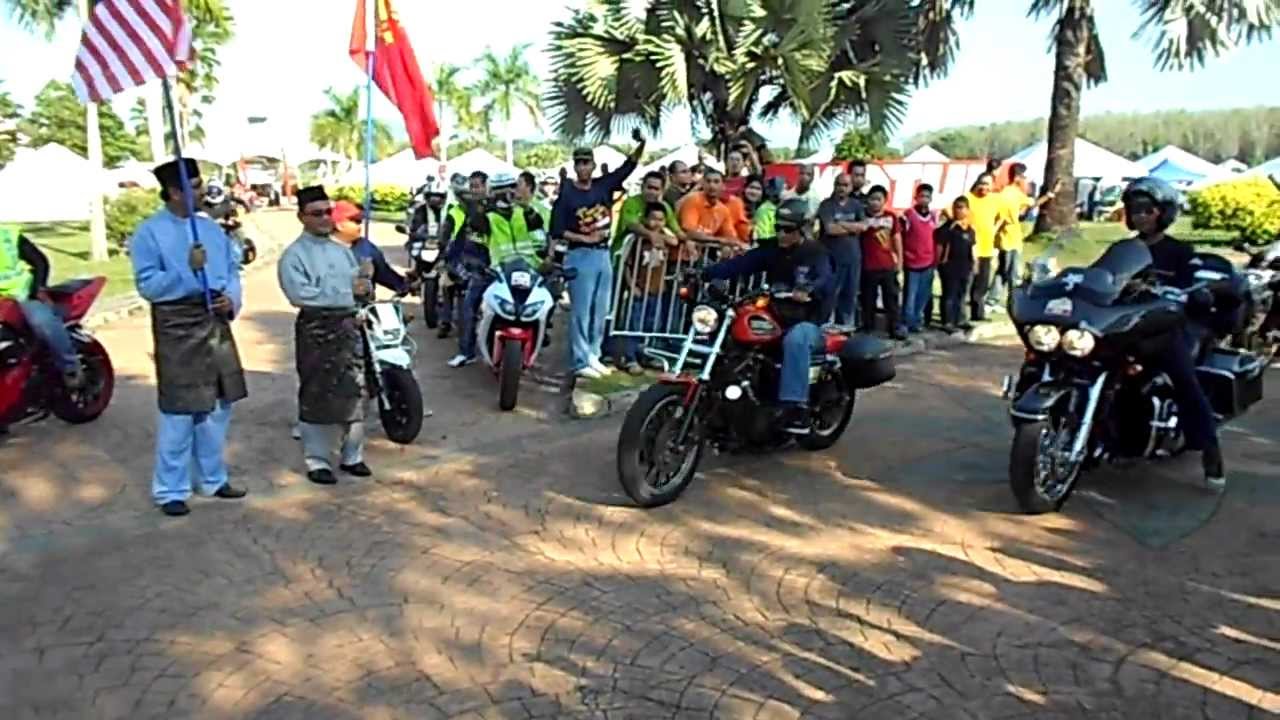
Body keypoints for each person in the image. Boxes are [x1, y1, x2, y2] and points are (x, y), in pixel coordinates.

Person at [129, 158, 248, 516]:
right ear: (176, 192)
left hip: (215, 320)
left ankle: (212, 478)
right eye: (194, 187)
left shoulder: (210, 229)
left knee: (217, 406)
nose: (202, 192)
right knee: (179, 410)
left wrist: (231, 297)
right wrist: (186, 271)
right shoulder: (148, 233)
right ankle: (170, 489)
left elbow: (231, 270)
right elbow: (147, 284)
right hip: (177, 325)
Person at [1122, 177, 1225, 490]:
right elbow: (1100, 275)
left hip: (1165, 328)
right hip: (1128, 325)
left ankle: (1211, 451)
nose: (1140, 215)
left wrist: (1196, 290)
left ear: (1162, 212)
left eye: (1147, 209)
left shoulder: (1180, 251)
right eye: (1134, 209)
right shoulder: (1125, 249)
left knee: (1185, 380)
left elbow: (1195, 281)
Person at [701, 198, 832, 434]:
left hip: (806, 319)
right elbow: (741, 264)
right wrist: (704, 273)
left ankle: (795, 409)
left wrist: (809, 289)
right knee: (735, 331)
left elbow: (824, 278)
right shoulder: (770, 250)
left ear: (802, 229)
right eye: (778, 227)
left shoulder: (816, 253)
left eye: (788, 229)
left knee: (796, 339)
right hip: (776, 315)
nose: (781, 234)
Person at [278, 186, 372, 486]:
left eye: (327, 212)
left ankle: (352, 455)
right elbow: (300, 295)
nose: (323, 219)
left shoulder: (343, 252)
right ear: (301, 217)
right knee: (316, 394)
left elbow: (361, 292)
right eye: (315, 213)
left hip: (348, 328)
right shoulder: (294, 256)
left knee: (355, 392)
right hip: (316, 330)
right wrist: (348, 292)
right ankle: (317, 460)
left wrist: (365, 280)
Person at [550, 133, 646, 379]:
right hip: (580, 255)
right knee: (581, 311)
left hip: (603, 254)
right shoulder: (567, 193)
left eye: (587, 162)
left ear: (593, 165)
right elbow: (558, 229)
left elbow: (627, 168)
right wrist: (584, 238)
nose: (583, 167)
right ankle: (580, 360)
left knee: (600, 310)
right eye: (579, 163)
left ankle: (593, 354)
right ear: (575, 166)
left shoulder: (603, 185)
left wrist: (641, 144)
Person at [0, 226, 83, 387]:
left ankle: (70, 367)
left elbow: (39, 261)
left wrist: (37, 288)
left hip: (21, 292)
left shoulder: (7, 235)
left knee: (41, 322)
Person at [615, 202, 680, 375]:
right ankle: (629, 358)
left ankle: (646, 355)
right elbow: (626, 264)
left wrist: (661, 236)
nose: (656, 223)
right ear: (645, 219)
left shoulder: (664, 237)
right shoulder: (637, 240)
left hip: (657, 289)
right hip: (640, 288)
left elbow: (674, 240)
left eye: (661, 220)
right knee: (634, 324)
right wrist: (631, 285)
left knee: (652, 324)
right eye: (653, 219)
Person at [989, 163, 1057, 308]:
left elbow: (1030, 204)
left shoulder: (1013, 193)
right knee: (1012, 272)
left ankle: (993, 299)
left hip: (1011, 237)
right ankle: (1013, 301)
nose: (1026, 180)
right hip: (1009, 238)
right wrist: (1049, 195)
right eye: (1024, 177)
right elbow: (1031, 205)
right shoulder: (1011, 194)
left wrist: (1049, 195)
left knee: (1003, 270)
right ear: (1018, 177)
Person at [816, 173, 867, 326]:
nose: (841, 188)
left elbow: (864, 226)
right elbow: (830, 229)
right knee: (829, 296)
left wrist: (841, 223)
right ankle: (823, 330)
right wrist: (852, 227)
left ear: (851, 187)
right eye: (839, 184)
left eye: (845, 185)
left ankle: (844, 330)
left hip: (853, 258)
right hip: (831, 259)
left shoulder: (856, 205)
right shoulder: (826, 205)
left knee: (849, 297)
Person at [331, 201, 412, 297]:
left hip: (361, 307)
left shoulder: (366, 248)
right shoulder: (316, 249)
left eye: (360, 222)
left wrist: (406, 286)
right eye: (355, 222)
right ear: (339, 225)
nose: (359, 227)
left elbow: (385, 274)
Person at [858, 185, 906, 339]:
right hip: (868, 266)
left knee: (891, 299)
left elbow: (897, 239)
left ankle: (894, 328)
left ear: (884, 201)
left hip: (887, 265)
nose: (875, 203)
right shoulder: (861, 217)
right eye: (872, 199)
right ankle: (868, 329)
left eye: (878, 199)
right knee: (868, 300)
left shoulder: (891, 217)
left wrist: (899, 262)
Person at [613, 171, 683, 258]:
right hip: (624, 254)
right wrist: (651, 235)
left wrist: (688, 240)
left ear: (662, 191)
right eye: (649, 187)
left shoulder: (665, 206)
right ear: (642, 187)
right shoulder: (631, 202)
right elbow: (632, 225)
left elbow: (677, 231)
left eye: (656, 189)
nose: (652, 192)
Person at [900, 184, 940, 333]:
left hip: (928, 261)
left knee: (923, 295)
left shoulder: (934, 216)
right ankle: (906, 322)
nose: (924, 199)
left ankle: (916, 321)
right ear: (916, 197)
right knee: (910, 295)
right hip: (911, 262)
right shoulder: (908, 215)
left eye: (927, 197)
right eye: (921, 196)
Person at [964, 173, 1002, 322]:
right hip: (970, 248)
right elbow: (948, 211)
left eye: (988, 184)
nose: (984, 187)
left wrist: (995, 229)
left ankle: (978, 314)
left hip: (986, 248)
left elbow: (1002, 217)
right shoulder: (968, 198)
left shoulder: (994, 200)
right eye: (982, 183)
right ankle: (959, 315)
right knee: (967, 282)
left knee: (982, 283)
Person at [678, 169, 749, 248]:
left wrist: (732, 245)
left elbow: (730, 237)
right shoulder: (693, 200)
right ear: (703, 184)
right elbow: (689, 233)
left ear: (723, 186)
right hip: (683, 254)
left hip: (705, 254)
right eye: (708, 181)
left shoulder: (723, 209)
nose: (712, 185)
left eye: (716, 182)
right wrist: (719, 240)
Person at [935, 196, 976, 332]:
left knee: (962, 294)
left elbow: (973, 248)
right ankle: (947, 321)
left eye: (961, 207)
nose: (958, 210)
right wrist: (939, 262)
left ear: (968, 210)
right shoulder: (948, 228)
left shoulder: (970, 229)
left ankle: (960, 319)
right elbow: (940, 246)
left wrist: (975, 264)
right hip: (949, 266)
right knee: (949, 294)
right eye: (956, 207)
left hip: (965, 266)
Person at [743, 175, 779, 249]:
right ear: (745, 188)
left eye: (758, 189)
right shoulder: (738, 206)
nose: (754, 192)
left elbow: (766, 237)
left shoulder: (767, 209)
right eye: (751, 187)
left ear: (763, 192)